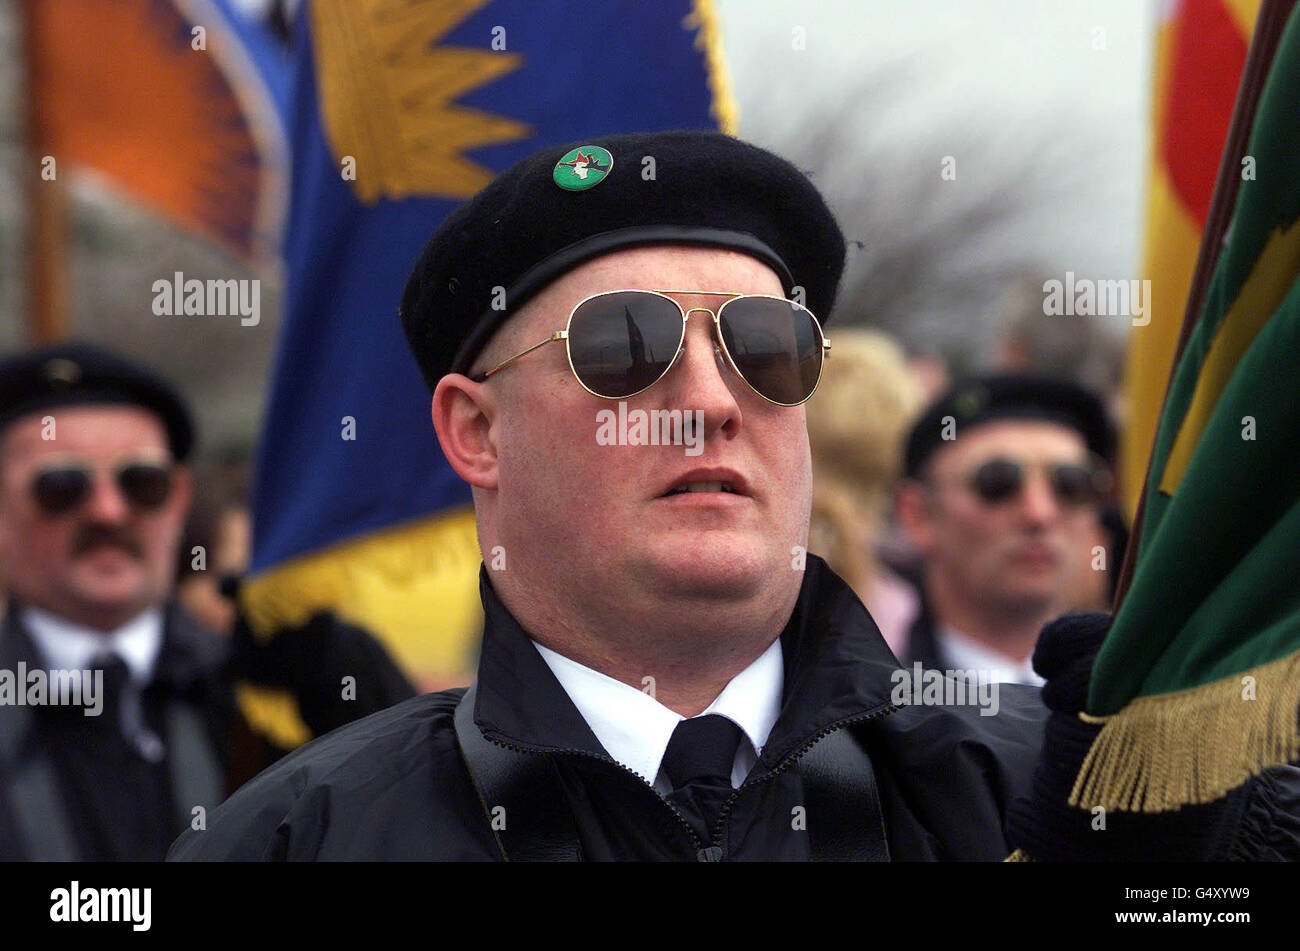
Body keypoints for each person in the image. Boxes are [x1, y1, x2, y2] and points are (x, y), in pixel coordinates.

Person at [171, 131, 1057, 862]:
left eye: (767, 347)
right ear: (477, 431)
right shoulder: (300, 841)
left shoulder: (1053, 788)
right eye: (627, 345)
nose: (712, 401)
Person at [0, 343, 415, 860]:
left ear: (177, 498)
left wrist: (355, 688)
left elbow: (421, 824)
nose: (107, 511)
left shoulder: (268, 692)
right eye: (62, 486)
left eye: (141, 482)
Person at [894, 374, 1116, 685]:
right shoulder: (861, 710)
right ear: (918, 516)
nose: (1040, 513)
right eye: (997, 483)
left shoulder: (1146, 704)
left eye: (1071, 484)